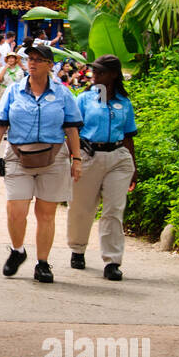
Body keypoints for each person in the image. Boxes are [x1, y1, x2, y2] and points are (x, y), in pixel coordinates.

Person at [0, 42, 83, 283]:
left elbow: (71, 128)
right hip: (18, 155)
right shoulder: (14, 91)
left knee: (46, 213)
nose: (33, 63)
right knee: (16, 211)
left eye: (39, 60)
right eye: (30, 59)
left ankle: (43, 263)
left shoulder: (63, 94)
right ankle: (18, 251)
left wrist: (76, 159)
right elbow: (0, 124)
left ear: (50, 65)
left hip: (54, 157)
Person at [66, 55, 137, 281]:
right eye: (94, 72)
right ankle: (77, 249)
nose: (95, 76)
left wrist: (134, 166)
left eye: (100, 72)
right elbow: (72, 130)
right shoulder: (84, 99)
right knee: (81, 207)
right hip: (89, 155)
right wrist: (75, 157)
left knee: (113, 210)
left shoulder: (124, 103)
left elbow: (129, 137)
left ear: (113, 75)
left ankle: (112, 261)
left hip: (118, 158)